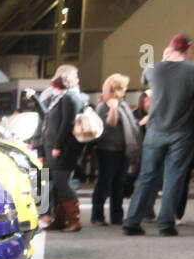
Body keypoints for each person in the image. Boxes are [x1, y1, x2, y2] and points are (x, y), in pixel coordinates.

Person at [123, 34, 194, 236]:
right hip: (181, 132)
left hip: (155, 131)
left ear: (170, 47)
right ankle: (166, 224)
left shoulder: (152, 68)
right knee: (174, 178)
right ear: (188, 50)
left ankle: (132, 221)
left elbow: (145, 81)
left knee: (147, 176)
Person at [91, 73, 135, 225]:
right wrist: (113, 109)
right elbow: (107, 126)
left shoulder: (123, 104)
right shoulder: (105, 105)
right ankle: (97, 216)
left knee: (119, 184)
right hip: (107, 150)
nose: (126, 89)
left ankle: (117, 216)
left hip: (123, 150)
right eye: (124, 87)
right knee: (104, 182)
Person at [43, 65, 83, 232]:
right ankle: (59, 219)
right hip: (55, 148)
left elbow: (67, 123)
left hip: (63, 149)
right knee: (58, 184)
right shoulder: (61, 97)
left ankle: (74, 219)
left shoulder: (70, 98)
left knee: (63, 183)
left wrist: (58, 146)